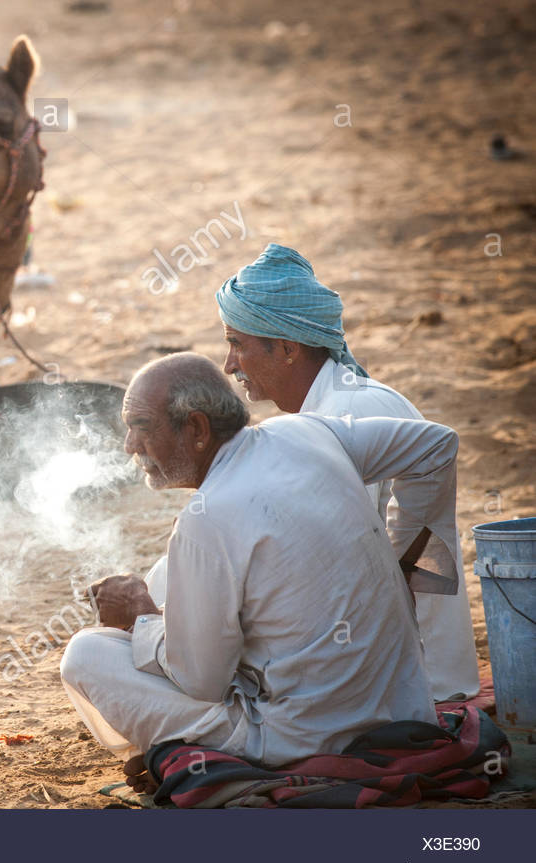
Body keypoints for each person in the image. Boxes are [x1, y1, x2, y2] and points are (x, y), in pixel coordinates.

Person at [60, 354, 457, 790]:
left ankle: (173, 750)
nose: (130, 445)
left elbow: (203, 682)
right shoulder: (307, 430)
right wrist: (407, 566)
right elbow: (437, 446)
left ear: (196, 429)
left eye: (142, 426)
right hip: (406, 708)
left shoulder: (206, 520)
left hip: (308, 737)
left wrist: (140, 617)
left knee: (87, 655)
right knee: (165, 574)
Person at [213, 242, 478, 701]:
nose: (229, 364)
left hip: (409, 680)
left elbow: (378, 563)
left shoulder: (355, 410)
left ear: (287, 348)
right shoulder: (328, 408)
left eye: (238, 343)